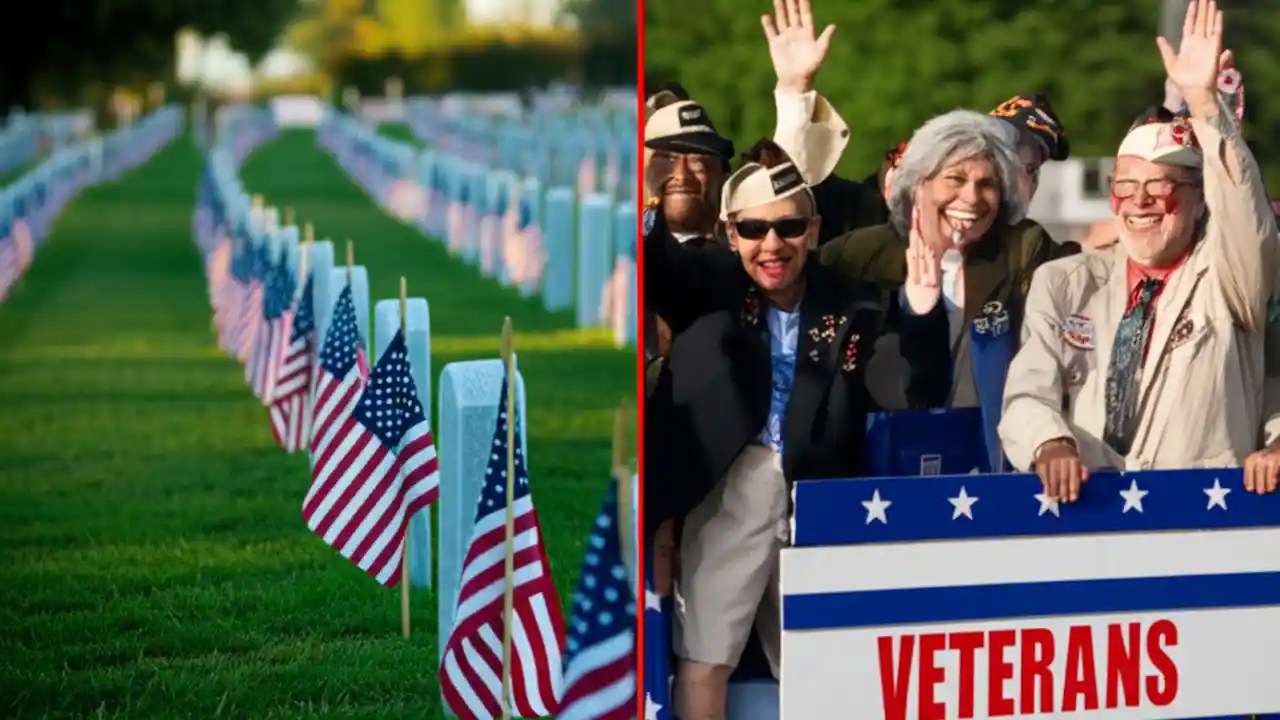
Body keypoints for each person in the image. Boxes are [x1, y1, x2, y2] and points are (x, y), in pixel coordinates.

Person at [644, 139, 947, 719]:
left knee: (825, 662)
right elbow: (661, 265)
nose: (772, 245)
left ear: (812, 230)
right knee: (706, 657)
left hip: (822, 493)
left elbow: (914, 387)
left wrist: (923, 313)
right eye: (754, 229)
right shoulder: (712, 283)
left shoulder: (854, 303)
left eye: (787, 227)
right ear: (731, 234)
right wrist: (653, 194)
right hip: (736, 484)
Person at [998, 0, 1279, 502]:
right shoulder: (1065, 281)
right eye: (1125, 187)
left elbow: (1247, 217)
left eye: (1161, 185)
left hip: (1203, 521)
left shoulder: (1230, 277)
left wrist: (1206, 106)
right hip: (1090, 518)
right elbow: (1027, 391)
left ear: (1198, 199)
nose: (1140, 201)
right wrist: (1050, 442)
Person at [819, 109, 1079, 410]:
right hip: (885, 444)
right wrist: (918, 310)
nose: (971, 198)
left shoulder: (1024, 250)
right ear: (918, 185)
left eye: (988, 184)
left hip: (989, 446)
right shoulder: (856, 257)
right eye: (955, 179)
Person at [763, 0, 1071, 243]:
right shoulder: (860, 228)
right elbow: (785, 204)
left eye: (1030, 170)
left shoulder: (1031, 256)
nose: (1013, 178)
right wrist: (794, 94)